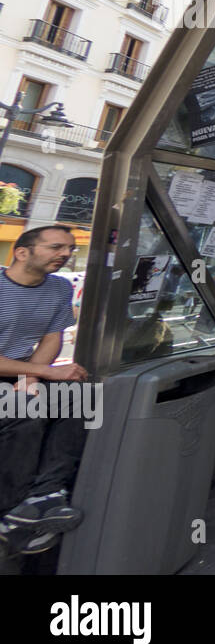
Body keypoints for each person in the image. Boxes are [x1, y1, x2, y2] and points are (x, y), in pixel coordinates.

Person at [0, 226, 89, 557]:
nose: (64, 254)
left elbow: (52, 336)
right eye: (55, 247)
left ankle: (45, 494)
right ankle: (9, 512)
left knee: (80, 397)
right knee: (23, 411)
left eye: (68, 248)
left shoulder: (59, 287)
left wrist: (33, 378)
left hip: (18, 370)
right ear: (22, 252)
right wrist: (37, 373)